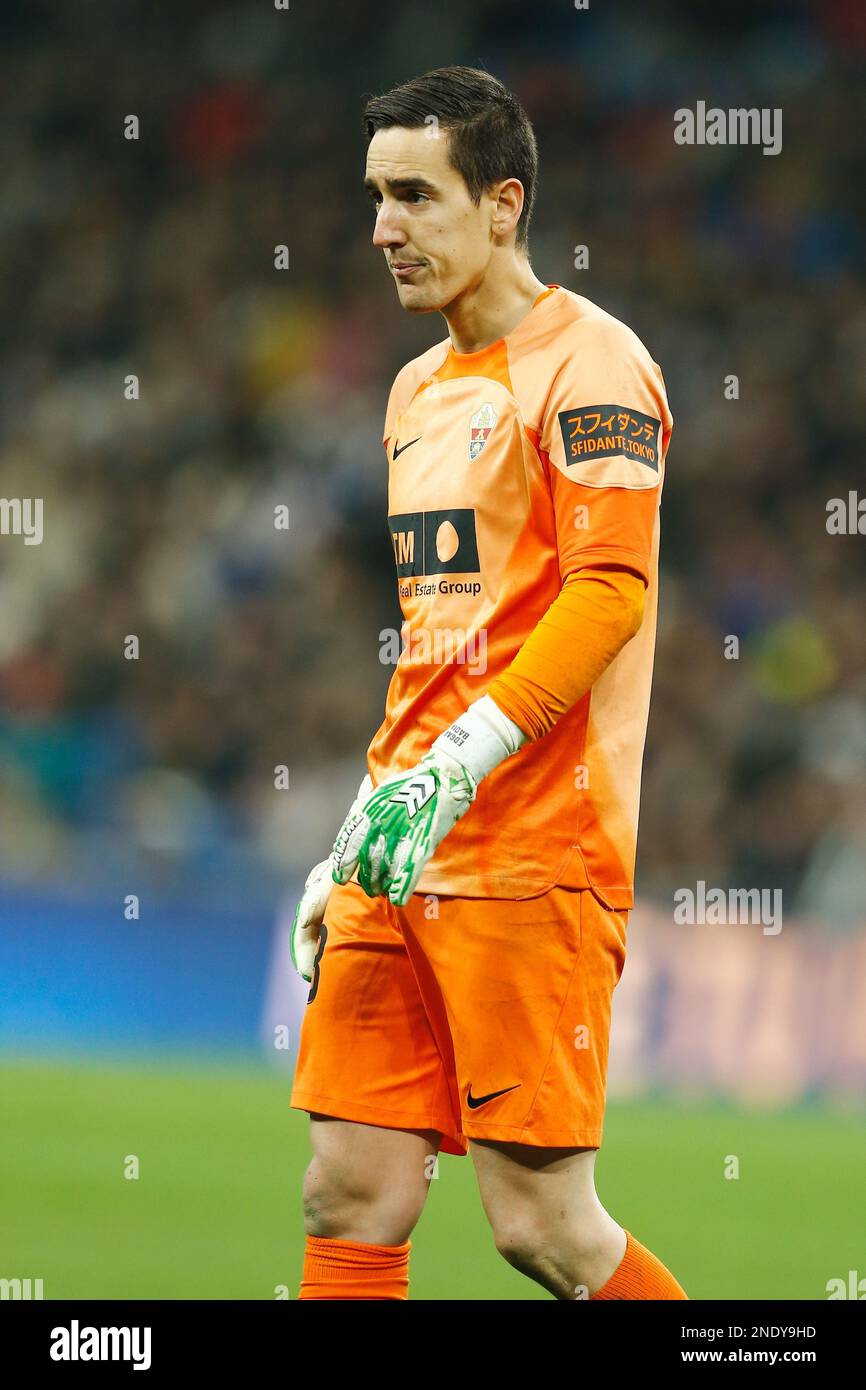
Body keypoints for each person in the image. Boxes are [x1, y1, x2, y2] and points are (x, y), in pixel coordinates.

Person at [289, 64, 686, 1301]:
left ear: (503, 203)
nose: (383, 229)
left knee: (541, 1227)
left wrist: (455, 769)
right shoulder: (411, 392)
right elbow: (432, 644)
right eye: (374, 197)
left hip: (530, 849)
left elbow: (605, 595)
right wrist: (363, 820)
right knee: (350, 1186)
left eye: (415, 194)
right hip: (403, 844)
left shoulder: (592, 366)